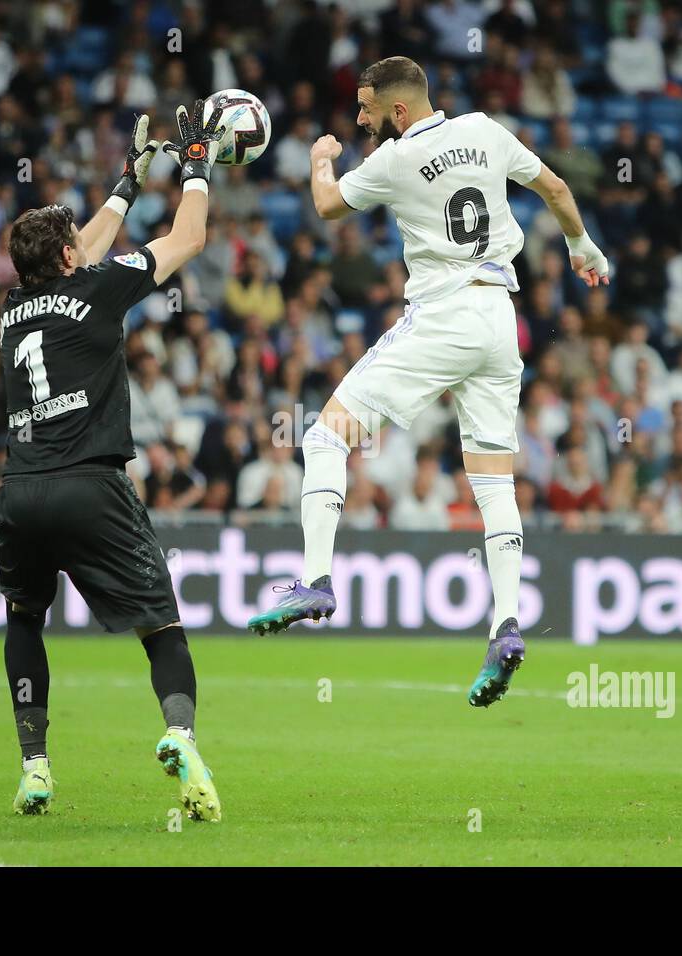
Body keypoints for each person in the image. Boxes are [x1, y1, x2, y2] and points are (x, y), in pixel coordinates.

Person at [245, 57, 609, 708]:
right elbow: (555, 187)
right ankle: (505, 625)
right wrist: (583, 246)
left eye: (366, 108)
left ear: (400, 110)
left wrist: (319, 158)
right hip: (501, 319)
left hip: (444, 317)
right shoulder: (486, 130)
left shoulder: (393, 161)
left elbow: (327, 207)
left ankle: (316, 581)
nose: (359, 119)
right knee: (495, 482)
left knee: (325, 441)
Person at [0, 107, 224, 821]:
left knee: (25, 619)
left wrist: (128, 179)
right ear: (69, 261)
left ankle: (35, 767)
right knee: (162, 628)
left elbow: (74, 250)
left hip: (20, 492)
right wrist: (193, 165)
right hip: (92, 486)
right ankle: (180, 735)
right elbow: (189, 236)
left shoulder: (14, 306)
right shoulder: (99, 289)